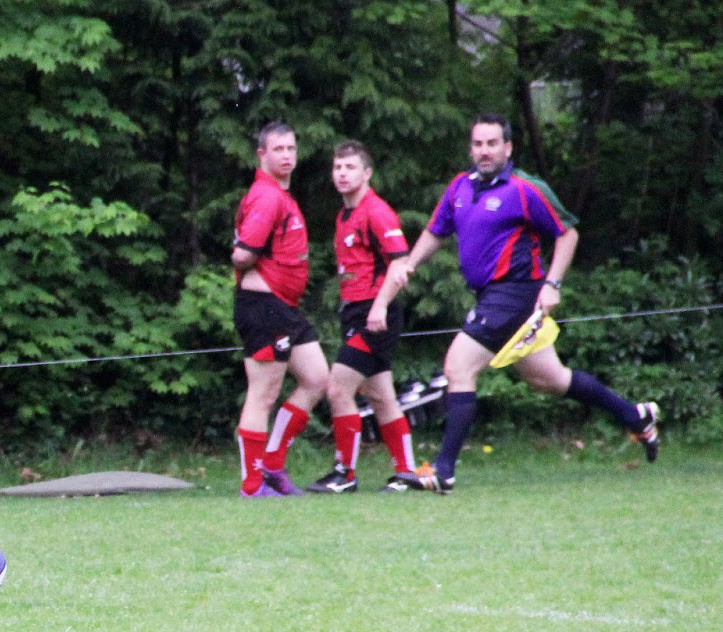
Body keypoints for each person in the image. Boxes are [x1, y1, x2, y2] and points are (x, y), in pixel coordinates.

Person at [373, 114, 659, 493]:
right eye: (478, 144)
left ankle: (443, 471)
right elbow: (436, 231)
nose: (484, 151)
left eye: (492, 144)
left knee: (458, 367)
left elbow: (568, 234)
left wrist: (552, 284)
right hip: (491, 296)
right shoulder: (460, 186)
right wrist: (409, 263)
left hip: (515, 293)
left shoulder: (525, 188)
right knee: (549, 379)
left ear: (507, 148)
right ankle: (635, 416)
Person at [305, 141, 419, 494]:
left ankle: (345, 473)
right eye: (337, 168)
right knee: (382, 396)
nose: (342, 174)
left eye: (350, 167)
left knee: (338, 387)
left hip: (376, 314)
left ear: (367, 173)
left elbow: (400, 265)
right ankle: (406, 473)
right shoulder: (344, 216)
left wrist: (380, 305)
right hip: (356, 312)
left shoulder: (377, 212)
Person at [231, 120, 328, 497]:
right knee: (263, 395)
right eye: (278, 150)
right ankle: (252, 486)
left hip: (285, 308)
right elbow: (242, 254)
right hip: (264, 305)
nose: (287, 155)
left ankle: (271, 465)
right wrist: (246, 259)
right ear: (262, 155)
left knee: (318, 378)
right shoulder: (268, 196)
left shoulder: (280, 195)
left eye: (291, 149)